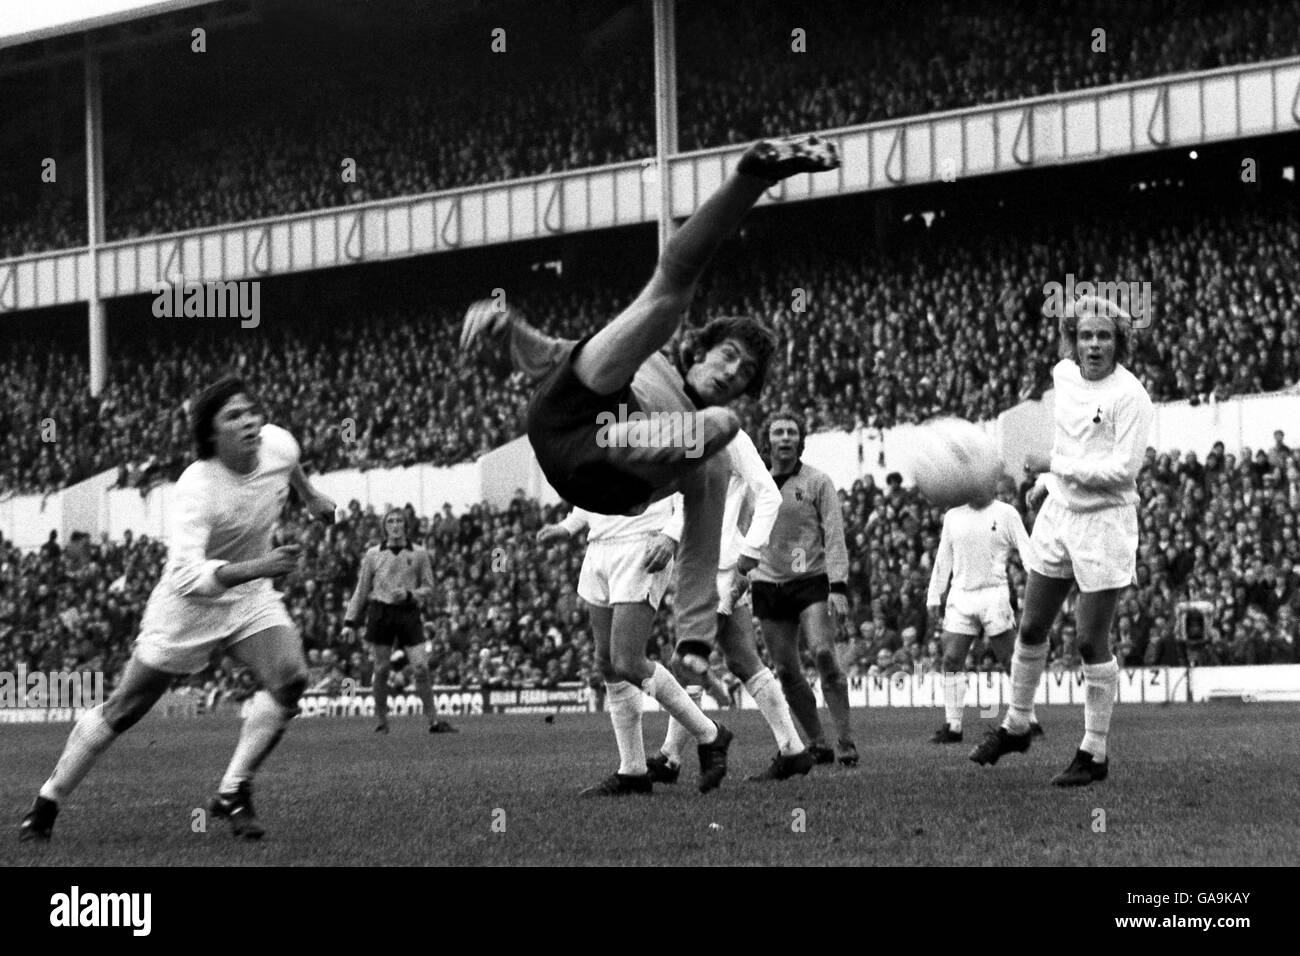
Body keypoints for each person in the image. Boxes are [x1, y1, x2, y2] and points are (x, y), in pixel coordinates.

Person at [462, 134, 840, 794]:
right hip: (572, 421)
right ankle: (752, 175)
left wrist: (693, 636)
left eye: (744, 374)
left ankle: (650, 763)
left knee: (712, 436)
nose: (731, 372)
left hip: (610, 473)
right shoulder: (657, 363)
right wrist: (510, 329)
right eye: (726, 357)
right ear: (700, 352)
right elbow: (565, 356)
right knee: (667, 296)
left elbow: (701, 541)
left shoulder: (713, 448)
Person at [19, 378, 336, 841]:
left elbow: (291, 469)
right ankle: (47, 801)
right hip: (188, 607)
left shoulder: (279, 443)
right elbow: (188, 576)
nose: (249, 421)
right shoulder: (197, 487)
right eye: (233, 416)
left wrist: (311, 498)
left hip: (249, 596)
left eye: (251, 411)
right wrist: (262, 565)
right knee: (124, 710)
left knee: (290, 678)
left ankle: (233, 790)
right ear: (211, 433)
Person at [969, 296, 1154, 786]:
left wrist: (1055, 468)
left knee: (1090, 640)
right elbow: (1068, 444)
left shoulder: (1131, 395)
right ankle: (1017, 724)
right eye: (1086, 335)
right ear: (1073, 339)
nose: (1094, 344)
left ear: (1119, 342)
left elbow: (1123, 471)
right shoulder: (1064, 376)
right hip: (1059, 515)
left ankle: (1094, 753)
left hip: (1104, 523)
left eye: (1104, 336)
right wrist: (1046, 484)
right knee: (1031, 626)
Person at [648, 427, 813, 783]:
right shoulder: (684, 434)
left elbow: (768, 495)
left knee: (685, 661)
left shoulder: (729, 437)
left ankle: (672, 757)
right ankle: (793, 750)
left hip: (719, 566)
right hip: (706, 563)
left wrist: (748, 556)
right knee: (742, 660)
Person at [536, 496, 681, 793]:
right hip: (600, 546)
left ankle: (709, 733)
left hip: (641, 541)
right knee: (607, 662)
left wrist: (671, 535)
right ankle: (633, 770)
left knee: (628, 662)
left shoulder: (667, 460)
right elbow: (596, 489)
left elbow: (688, 487)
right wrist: (568, 526)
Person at [751, 411, 859, 766]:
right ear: (767, 441)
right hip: (767, 584)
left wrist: (838, 585)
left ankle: (845, 740)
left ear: (800, 441)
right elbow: (740, 530)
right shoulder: (754, 482)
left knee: (824, 653)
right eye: (778, 432)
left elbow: (834, 533)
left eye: (791, 432)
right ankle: (818, 743)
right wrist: (738, 576)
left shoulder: (817, 481)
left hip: (811, 581)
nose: (785, 437)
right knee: (785, 670)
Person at [926, 485, 1042, 743]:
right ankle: (953, 726)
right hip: (960, 594)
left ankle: (1029, 719)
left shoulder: (1007, 513)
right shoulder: (953, 516)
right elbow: (944, 557)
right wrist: (934, 594)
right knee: (951, 659)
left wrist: (1038, 584)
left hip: (994, 594)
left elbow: (1027, 551)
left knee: (1010, 660)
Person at [342, 508, 456, 734]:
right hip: (381, 612)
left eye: (399, 521)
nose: (395, 525)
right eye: (390, 521)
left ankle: (434, 721)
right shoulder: (373, 554)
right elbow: (361, 590)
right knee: (381, 668)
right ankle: (382, 721)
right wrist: (349, 621)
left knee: (421, 667)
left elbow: (429, 587)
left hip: (408, 612)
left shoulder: (419, 552)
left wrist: (410, 595)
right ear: (384, 527)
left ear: (406, 525)